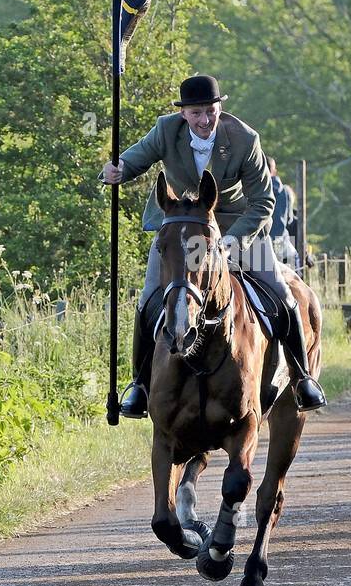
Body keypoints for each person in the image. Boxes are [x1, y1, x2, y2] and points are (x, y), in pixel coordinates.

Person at [101, 74, 327, 416]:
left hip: (236, 226)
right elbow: (135, 159)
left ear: (219, 108)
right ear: (183, 115)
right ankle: (140, 387)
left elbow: (263, 201)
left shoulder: (244, 139)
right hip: (179, 230)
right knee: (148, 300)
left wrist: (232, 241)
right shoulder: (165, 131)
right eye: (196, 114)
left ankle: (302, 378)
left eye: (211, 111)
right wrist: (117, 170)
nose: (205, 120)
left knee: (281, 295)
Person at [266, 156, 300, 267]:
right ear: (274, 171)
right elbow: (289, 220)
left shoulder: (251, 189)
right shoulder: (285, 192)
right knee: (295, 259)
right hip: (280, 241)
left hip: (259, 243)